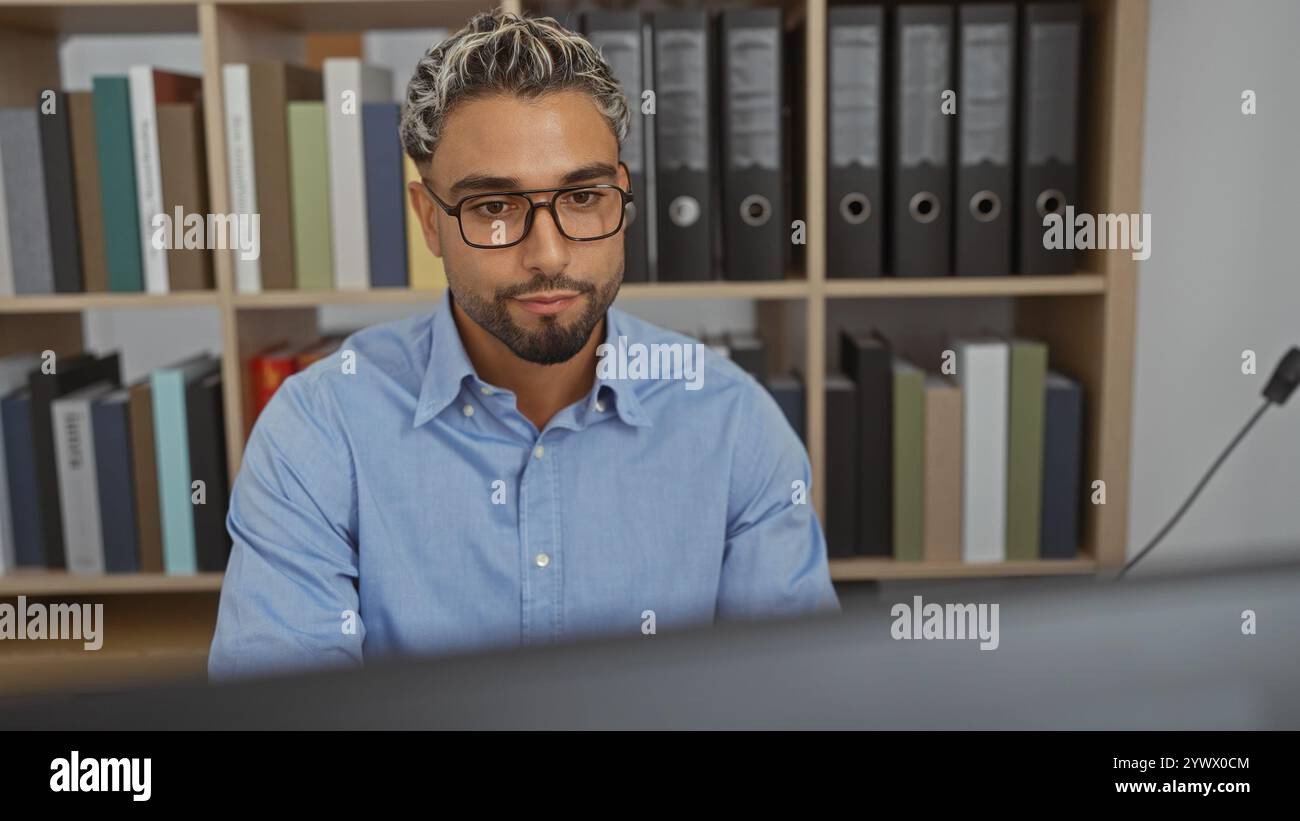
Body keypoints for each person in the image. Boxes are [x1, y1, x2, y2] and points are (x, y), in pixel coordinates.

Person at [208, 11, 838, 681]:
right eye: (493, 207)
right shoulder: (318, 432)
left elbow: (791, 700)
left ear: (621, 197)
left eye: (583, 196)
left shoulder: (736, 423)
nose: (548, 254)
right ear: (430, 221)